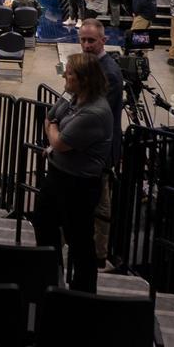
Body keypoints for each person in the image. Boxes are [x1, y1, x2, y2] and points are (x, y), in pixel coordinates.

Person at [34, 53, 113, 293]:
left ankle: (83, 293)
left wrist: (54, 130)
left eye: (69, 74)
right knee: (44, 225)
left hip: (79, 185)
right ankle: (51, 278)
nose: (65, 77)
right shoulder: (72, 96)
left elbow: (59, 142)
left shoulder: (94, 112)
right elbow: (48, 117)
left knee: (79, 243)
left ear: (84, 79)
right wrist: (53, 128)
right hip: (57, 176)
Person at [77, 18, 124, 271]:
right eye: (83, 40)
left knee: (100, 204)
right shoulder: (90, 65)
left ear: (104, 41)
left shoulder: (110, 74)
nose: (85, 45)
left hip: (101, 151)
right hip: (85, 148)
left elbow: (91, 111)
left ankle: (99, 256)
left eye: (91, 40)